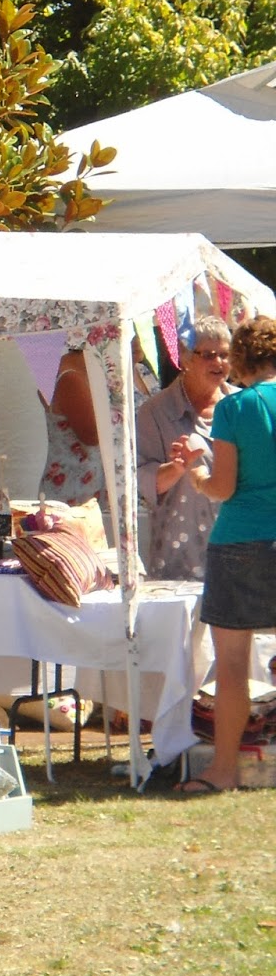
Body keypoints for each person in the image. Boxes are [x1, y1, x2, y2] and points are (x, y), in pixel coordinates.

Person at [177, 316, 276, 792]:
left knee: (233, 665)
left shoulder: (237, 407)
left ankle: (222, 772)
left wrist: (196, 474)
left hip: (241, 541)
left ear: (240, 359)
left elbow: (223, 486)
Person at [135, 317, 233, 580]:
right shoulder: (154, 412)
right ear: (185, 358)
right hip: (180, 562)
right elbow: (143, 483)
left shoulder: (242, 406)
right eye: (209, 355)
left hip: (240, 554)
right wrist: (177, 467)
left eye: (225, 355)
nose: (219, 363)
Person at [39, 345, 103, 504]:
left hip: (85, 485)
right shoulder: (70, 376)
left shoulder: (86, 369)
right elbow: (91, 435)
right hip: (75, 489)